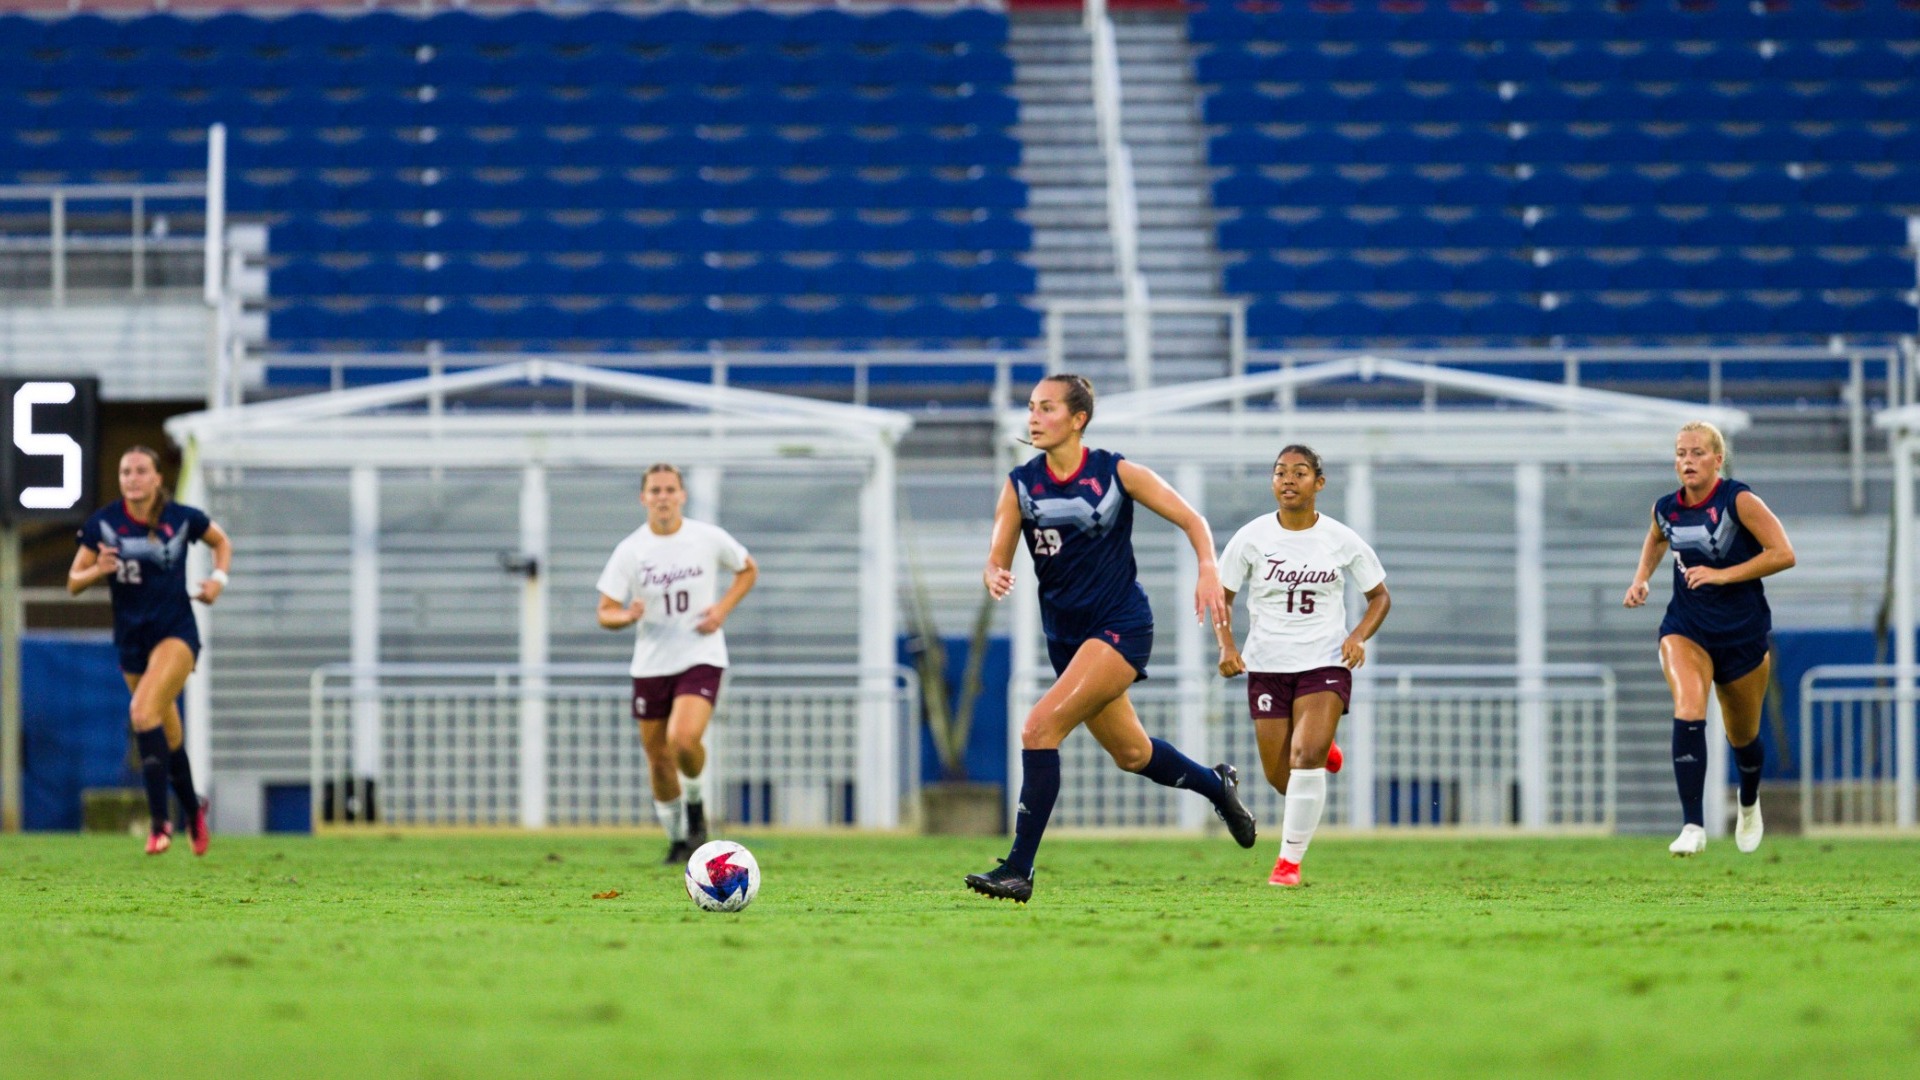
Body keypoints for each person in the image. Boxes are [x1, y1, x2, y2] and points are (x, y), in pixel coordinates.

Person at [965, 374, 1257, 904]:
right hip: (1067, 639)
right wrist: (993, 572)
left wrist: (1208, 567)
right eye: (1031, 407)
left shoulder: (1116, 473)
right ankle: (1218, 786)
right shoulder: (1020, 484)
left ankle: (1018, 869)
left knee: (1038, 728)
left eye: (1046, 408)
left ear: (1078, 419)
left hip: (1121, 626)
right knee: (1132, 753)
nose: (1033, 417)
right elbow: (997, 555)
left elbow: (1193, 520)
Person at [1216, 445, 1389, 887]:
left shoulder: (1340, 539)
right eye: (1279, 473)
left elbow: (1379, 597)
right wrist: (1227, 647)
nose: (1288, 480)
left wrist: (1356, 637)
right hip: (1268, 665)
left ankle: (1287, 863)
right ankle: (1324, 749)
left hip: (1324, 661)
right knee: (1283, 778)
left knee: (1304, 757)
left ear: (1319, 482)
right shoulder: (1251, 537)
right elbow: (1222, 598)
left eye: (1299, 472)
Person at [1624, 421, 1794, 856]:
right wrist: (1641, 579)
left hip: (1742, 634)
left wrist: (1722, 575)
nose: (1687, 461)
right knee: (1688, 704)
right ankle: (1692, 825)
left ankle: (1749, 802)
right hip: (1688, 628)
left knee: (1744, 740)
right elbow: (1658, 538)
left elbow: (1783, 554)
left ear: (1717, 460)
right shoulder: (1665, 507)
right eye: (1681, 453)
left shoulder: (1739, 500)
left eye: (1697, 453)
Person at [67, 446, 231, 856]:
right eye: (125, 471)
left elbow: (220, 541)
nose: (132, 478)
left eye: (141, 471)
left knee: (142, 713)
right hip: (133, 640)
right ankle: (194, 809)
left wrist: (218, 579)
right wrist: (96, 571)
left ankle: (161, 823)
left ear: (158, 478)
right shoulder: (103, 524)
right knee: (167, 729)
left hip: (176, 634)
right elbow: (73, 581)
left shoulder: (180, 518)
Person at [596, 463, 758, 864]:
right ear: (644, 498)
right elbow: (605, 610)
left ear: (682, 495)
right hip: (651, 664)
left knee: (683, 739)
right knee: (658, 758)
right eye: (655, 490)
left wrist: (721, 610)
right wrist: (626, 616)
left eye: (670, 489)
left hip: (700, 654)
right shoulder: (630, 550)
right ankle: (677, 841)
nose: (663, 496)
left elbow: (747, 569)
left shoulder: (706, 537)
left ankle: (698, 809)